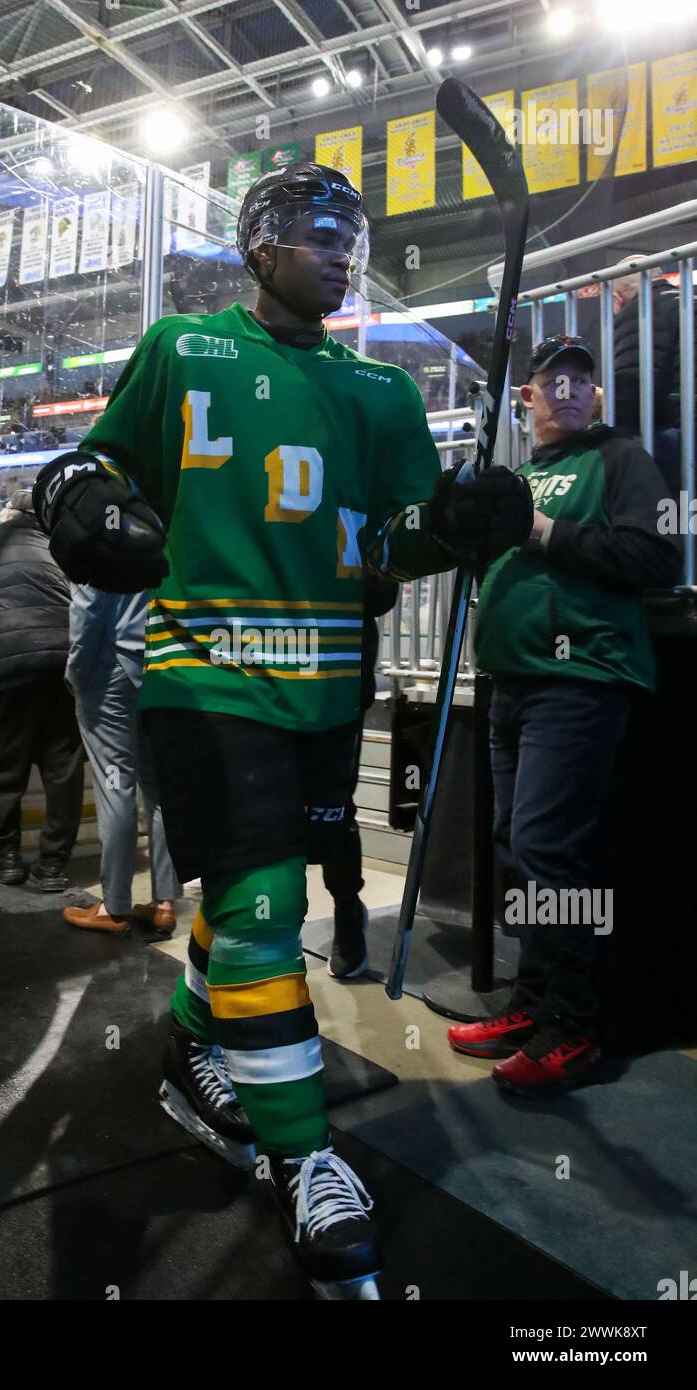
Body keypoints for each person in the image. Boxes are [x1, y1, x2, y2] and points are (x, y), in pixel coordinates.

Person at [33, 163, 532, 1297]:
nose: (341, 250)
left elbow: (393, 538)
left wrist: (457, 519)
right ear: (258, 246)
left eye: (352, 234)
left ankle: (190, 1040)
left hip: (325, 687)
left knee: (254, 897)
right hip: (205, 676)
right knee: (264, 906)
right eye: (317, 230)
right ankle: (305, 1160)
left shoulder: (383, 393)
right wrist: (77, 495)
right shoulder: (181, 350)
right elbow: (98, 462)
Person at [447, 335, 682, 1097]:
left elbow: (658, 558)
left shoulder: (620, 459)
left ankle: (574, 1024)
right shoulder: (520, 475)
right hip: (510, 682)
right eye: (555, 380)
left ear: (597, 395)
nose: (572, 390)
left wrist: (542, 532)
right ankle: (534, 1001)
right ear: (527, 398)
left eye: (583, 380)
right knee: (517, 847)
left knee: (550, 849)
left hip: (578, 681)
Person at [0, 489, 85, 891]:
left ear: (8, 514)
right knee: (63, 771)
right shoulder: (62, 546)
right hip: (63, 666)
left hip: (7, 668)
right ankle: (53, 866)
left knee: (7, 767)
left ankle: (7, 858)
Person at [61, 584, 181, 936]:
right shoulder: (169, 543)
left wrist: (76, 673)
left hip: (111, 668)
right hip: (163, 666)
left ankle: (113, 908)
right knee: (159, 787)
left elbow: (88, 605)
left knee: (115, 784)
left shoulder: (100, 544)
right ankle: (164, 904)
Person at [321, 571, 398, 980]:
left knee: (334, 807)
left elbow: (383, 590)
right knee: (272, 809)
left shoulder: (354, 524)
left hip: (339, 675)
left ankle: (347, 910)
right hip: (266, 672)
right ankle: (276, 920)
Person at [612, 252, 692, 494]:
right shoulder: (688, 300)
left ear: (616, 298)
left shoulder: (641, 309)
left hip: (679, 437)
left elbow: (631, 385)